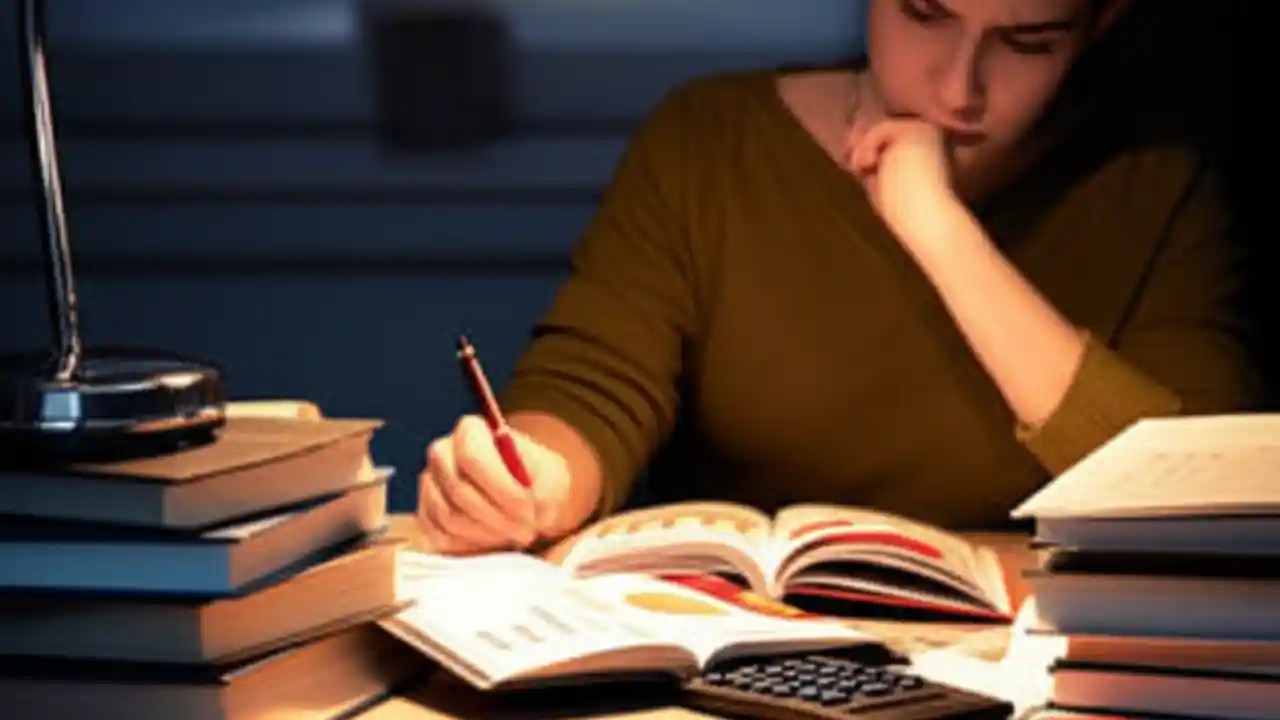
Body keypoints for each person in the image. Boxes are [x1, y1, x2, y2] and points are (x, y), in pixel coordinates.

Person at [415, 0, 1263, 554]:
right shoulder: (711, 142)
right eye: (925, 13)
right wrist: (533, 481)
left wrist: (943, 234)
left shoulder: (1160, 188)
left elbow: (1186, 500)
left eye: (1026, 42)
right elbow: (590, 390)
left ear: (1100, 23)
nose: (957, 87)